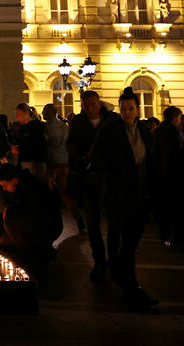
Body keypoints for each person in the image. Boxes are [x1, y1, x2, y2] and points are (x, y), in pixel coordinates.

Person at [90, 87, 157, 309]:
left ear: (137, 109)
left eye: (130, 108)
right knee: (122, 240)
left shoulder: (144, 131)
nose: (127, 112)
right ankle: (130, 284)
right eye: (123, 109)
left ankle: (120, 275)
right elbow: (97, 157)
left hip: (139, 196)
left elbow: (151, 161)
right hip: (118, 195)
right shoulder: (110, 130)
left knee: (130, 241)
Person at [67, 90, 117, 281]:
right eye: (85, 105)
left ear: (99, 103)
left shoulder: (112, 120)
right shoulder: (78, 122)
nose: (89, 108)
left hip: (110, 180)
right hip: (88, 179)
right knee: (93, 224)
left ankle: (112, 261)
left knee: (113, 224)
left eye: (92, 104)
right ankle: (99, 262)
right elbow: (71, 147)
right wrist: (81, 161)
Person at [0, 163, 64, 280]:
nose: (4, 188)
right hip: (41, 224)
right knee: (3, 241)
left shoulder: (31, 188)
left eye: (5, 185)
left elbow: (33, 213)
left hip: (48, 227)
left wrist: (11, 212)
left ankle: (32, 260)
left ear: (14, 180)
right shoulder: (23, 185)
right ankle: (42, 251)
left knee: (9, 219)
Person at [152, 106, 184, 247]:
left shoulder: (158, 131)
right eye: (179, 118)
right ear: (174, 118)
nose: (180, 121)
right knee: (177, 208)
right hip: (174, 174)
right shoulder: (175, 131)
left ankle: (165, 236)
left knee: (163, 209)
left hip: (160, 175)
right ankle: (177, 238)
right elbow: (179, 152)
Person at [15, 103, 47, 182]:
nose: (17, 117)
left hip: (30, 160)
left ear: (26, 113)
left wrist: (19, 149)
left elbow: (35, 143)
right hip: (37, 160)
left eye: (18, 114)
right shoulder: (25, 127)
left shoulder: (35, 126)